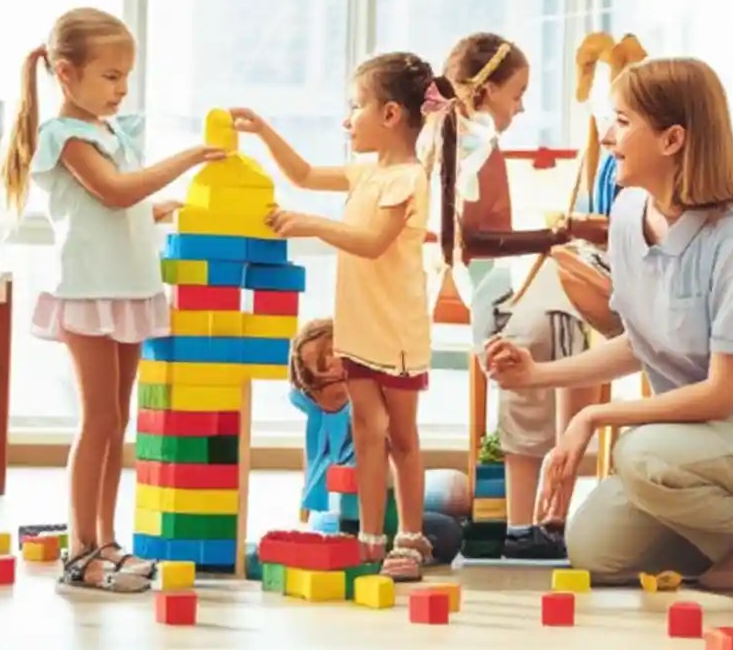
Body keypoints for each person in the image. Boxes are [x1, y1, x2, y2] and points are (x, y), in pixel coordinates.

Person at [485, 57, 733, 591]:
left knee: (638, 452)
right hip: (695, 444)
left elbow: (720, 396)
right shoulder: (628, 213)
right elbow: (641, 342)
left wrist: (593, 416)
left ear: (672, 139)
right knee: (594, 553)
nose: (606, 138)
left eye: (622, 121)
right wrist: (535, 375)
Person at [0, 7, 224, 592]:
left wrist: (163, 209)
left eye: (126, 75)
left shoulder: (108, 132)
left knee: (117, 421)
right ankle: (81, 552)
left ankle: (107, 540)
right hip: (90, 291)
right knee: (97, 420)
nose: (122, 88)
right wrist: (187, 159)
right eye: (110, 76)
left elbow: (119, 211)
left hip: (127, 287)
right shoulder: (63, 136)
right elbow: (115, 191)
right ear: (66, 75)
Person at [231, 51, 439, 581]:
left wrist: (311, 226)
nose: (348, 119)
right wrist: (262, 130)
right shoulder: (366, 174)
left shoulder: (407, 179)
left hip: (395, 332)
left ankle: (409, 537)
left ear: (391, 114)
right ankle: (370, 539)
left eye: (356, 106)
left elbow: (373, 243)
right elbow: (300, 174)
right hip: (359, 327)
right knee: (366, 431)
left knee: (402, 437)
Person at [427, 32, 607, 559]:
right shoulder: (476, 146)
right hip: (498, 302)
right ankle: (542, 522)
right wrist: (555, 238)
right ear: (485, 92)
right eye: (517, 92)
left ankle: (532, 523)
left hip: (492, 299)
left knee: (540, 361)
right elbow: (469, 238)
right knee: (556, 325)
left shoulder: (459, 139)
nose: (522, 105)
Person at [288, 319, 465, 565]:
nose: (329, 366)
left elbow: (400, 449)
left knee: (458, 489)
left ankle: (413, 531)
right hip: (352, 509)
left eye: (330, 354)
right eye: (317, 375)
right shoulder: (312, 402)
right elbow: (313, 454)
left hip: (393, 491)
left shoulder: (370, 383)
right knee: (448, 532)